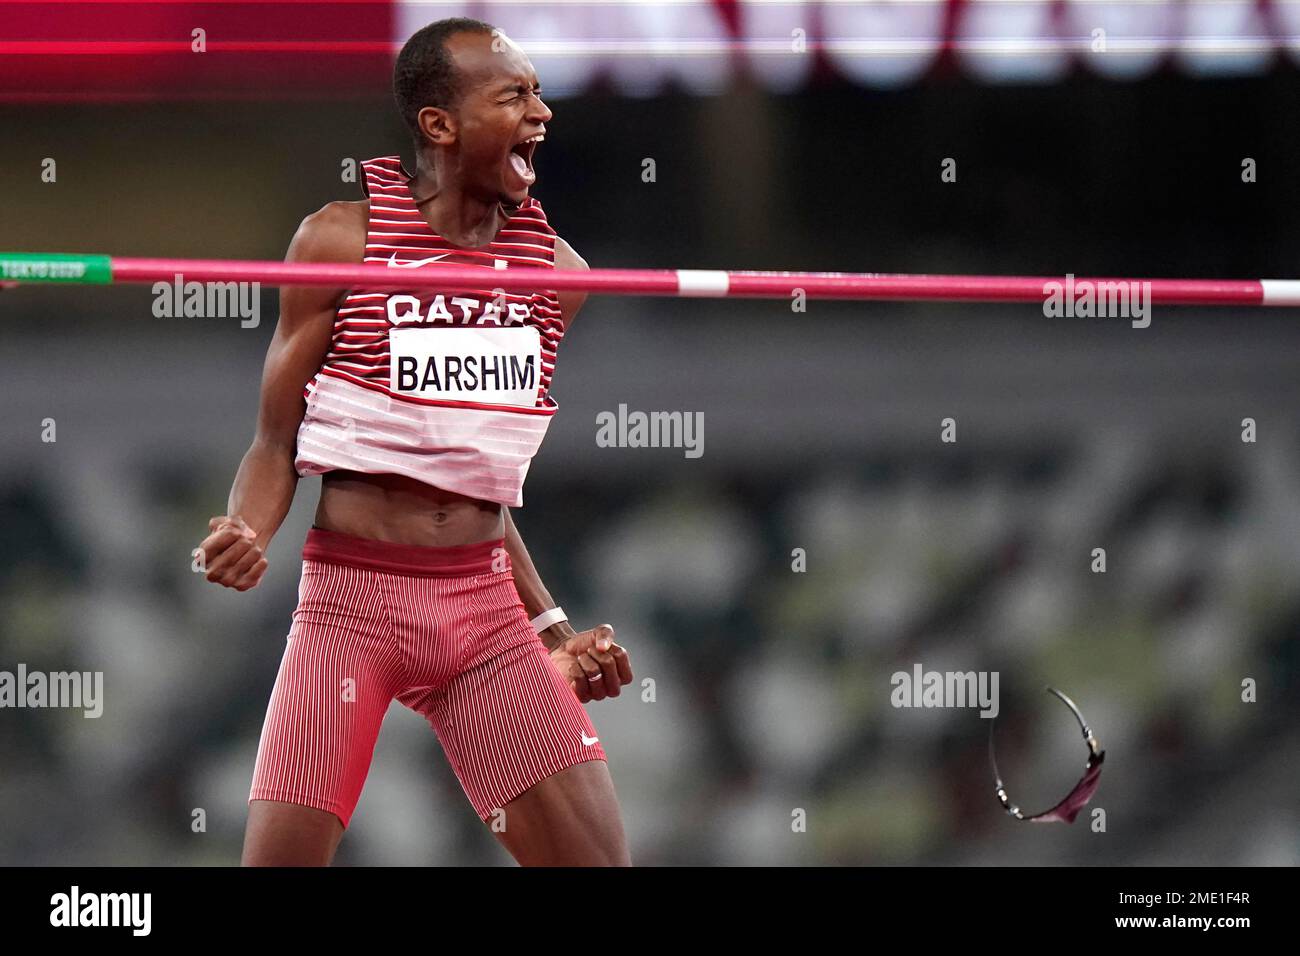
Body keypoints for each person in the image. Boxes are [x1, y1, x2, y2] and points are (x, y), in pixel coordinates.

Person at [197, 17, 633, 866]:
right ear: (439, 125)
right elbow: (277, 441)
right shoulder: (339, 243)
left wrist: (550, 628)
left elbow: (473, 482)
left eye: (540, 92)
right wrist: (248, 527)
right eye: (514, 95)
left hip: (485, 619)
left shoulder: (560, 278)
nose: (542, 112)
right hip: (351, 612)